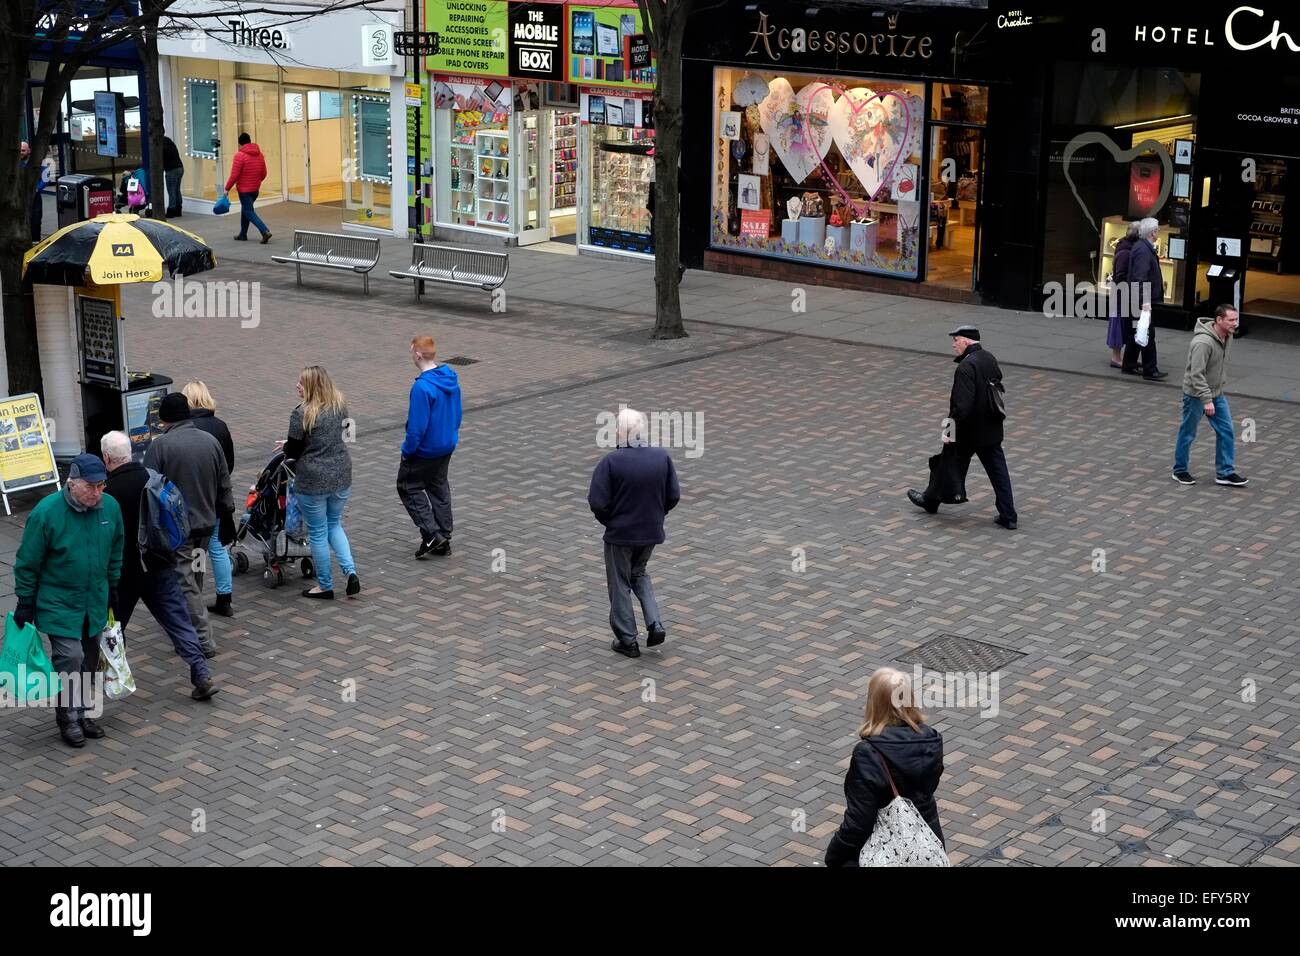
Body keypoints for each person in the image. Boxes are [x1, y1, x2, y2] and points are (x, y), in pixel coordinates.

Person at [12, 455, 124, 747]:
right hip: (58, 602)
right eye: (91, 486)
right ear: (72, 484)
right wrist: (25, 599)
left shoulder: (110, 507)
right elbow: (27, 561)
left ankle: (84, 711)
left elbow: (116, 547)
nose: (97, 493)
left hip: (94, 601)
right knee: (70, 657)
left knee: (88, 660)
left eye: (101, 485)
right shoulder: (46, 512)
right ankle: (68, 717)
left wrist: (113, 584)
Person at [101, 431, 218, 701]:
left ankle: (113, 677)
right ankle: (201, 673)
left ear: (107, 458)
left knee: (114, 627)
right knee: (178, 621)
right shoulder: (151, 479)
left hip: (123, 574)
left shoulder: (108, 493)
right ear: (129, 452)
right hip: (159, 565)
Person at [824, 667, 945, 867]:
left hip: (886, 852)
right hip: (926, 845)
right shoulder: (931, 740)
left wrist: (834, 855)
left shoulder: (868, 753)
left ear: (875, 703)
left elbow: (859, 822)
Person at [144, 393, 233, 657]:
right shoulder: (210, 442)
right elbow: (224, 482)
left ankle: (203, 640)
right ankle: (188, 626)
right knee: (195, 575)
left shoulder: (160, 447)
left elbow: (148, 487)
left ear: (165, 419)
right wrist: (226, 511)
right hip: (206, 525)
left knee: (186, 584)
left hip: (178, 530)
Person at [587, 407, 680, 658]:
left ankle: (628, 640)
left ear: (623, 432)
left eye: (617, 427)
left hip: (621, 535)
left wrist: (611, 521)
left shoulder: (611, 462)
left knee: (619, 583)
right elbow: (673, 495)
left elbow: (597, 501)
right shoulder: (661, 457)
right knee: (639, 573)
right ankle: (655, 623)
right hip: (650, 532)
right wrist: (656, 516)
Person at [908, 326, 1018, 529]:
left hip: (968, 431)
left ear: (966, 342)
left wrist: (949, 430)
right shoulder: (988, 358)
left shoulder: (966, 367)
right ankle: (1009, 515)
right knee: (998, 471)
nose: (953, 344)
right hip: (991, 428)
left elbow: (962, 405)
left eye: (956, 340)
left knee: (947, 461)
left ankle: (930, 500)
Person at [281, 366, 359, 600]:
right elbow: (345, 437)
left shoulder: (301, 413)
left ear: (312, 387)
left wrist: (286, 445)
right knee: (334, 525)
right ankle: (351, 572)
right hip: (341, 475)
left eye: (301, 383)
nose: (297, 385)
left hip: (313, 479)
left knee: (317, 532)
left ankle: (325, 585)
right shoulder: (339, 404)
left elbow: (293, 451)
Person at [398, 336, 462, 559]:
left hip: (425, 450)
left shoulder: (421, 388)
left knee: (408, 486)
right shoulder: (451, 377)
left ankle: (432, 535)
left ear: (417, 354)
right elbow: (457, 413)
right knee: (438, 486)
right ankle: (444, 535)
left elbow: (417, 428)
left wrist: (407, 451)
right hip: (446, 444)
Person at [1172, 304, 1248, 487]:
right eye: (1231, 320)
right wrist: (1207, 400)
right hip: (1196, 395)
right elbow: (1195, 374)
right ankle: (1180, 470)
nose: (1235, 324)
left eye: (1236, 319)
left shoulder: (1228, 336)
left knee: (1226, 431)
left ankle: (1224, 472)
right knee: (1188, 432)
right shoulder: (1202, 343)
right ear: (1219, 320)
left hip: (1216, 392)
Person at [182, 380, 236, 617]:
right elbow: (229, 463)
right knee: (215, 545)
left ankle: (194, 596)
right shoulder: (220, 426)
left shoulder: (184, 428)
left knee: (195, 550)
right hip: (214, 498)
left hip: (192, 500)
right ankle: (225, 597)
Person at [1121, 217, 1169, 380]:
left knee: (1137, 330)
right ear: (1152, 232)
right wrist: (1145, 302)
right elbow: (1140, 277)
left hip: (1137, 297)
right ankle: (1150, 369)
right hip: (1140, 299)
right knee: (1148, 332)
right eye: (1157, 230)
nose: (1158, 233)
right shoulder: (1143, 250)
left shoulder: (1142, 247)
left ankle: (1129, 364)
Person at [224, 132, 271, 244]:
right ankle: (243, 234)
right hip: (255, 190)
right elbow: (264, 173)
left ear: (240, 143)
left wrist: (227, 189)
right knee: (245, 209)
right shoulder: (259, 154)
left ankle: (265, 231)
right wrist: (257, 182)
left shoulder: (239, 156)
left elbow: (234, 175)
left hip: (244, 190)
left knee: (248, 211)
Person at [1107, 221, 1139, 368]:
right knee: (1119, 324)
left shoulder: (1128, 248)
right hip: (1121, 295)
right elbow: (1120, 275)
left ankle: (1122, 356)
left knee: (1124, 324)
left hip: (1124, 294)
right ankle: (1116, 357)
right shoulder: (1125, 252)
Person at [20, 141, 45, 243]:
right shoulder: (14, 164)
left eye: (23, 150)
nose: (21, 152)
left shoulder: (37, 162)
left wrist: (38, 188)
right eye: (19, 150)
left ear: (29, 151)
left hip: (35, 197)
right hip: (20, 196)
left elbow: (45, 177)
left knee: (35, 220)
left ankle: (35, 242)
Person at [162, 132, 185, 217]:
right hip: (180, 167)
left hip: (171, 170)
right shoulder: (168, 141)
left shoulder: (160, 145)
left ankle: (171, 210)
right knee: (177, 190)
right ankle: (178, 209)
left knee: (171, 191)